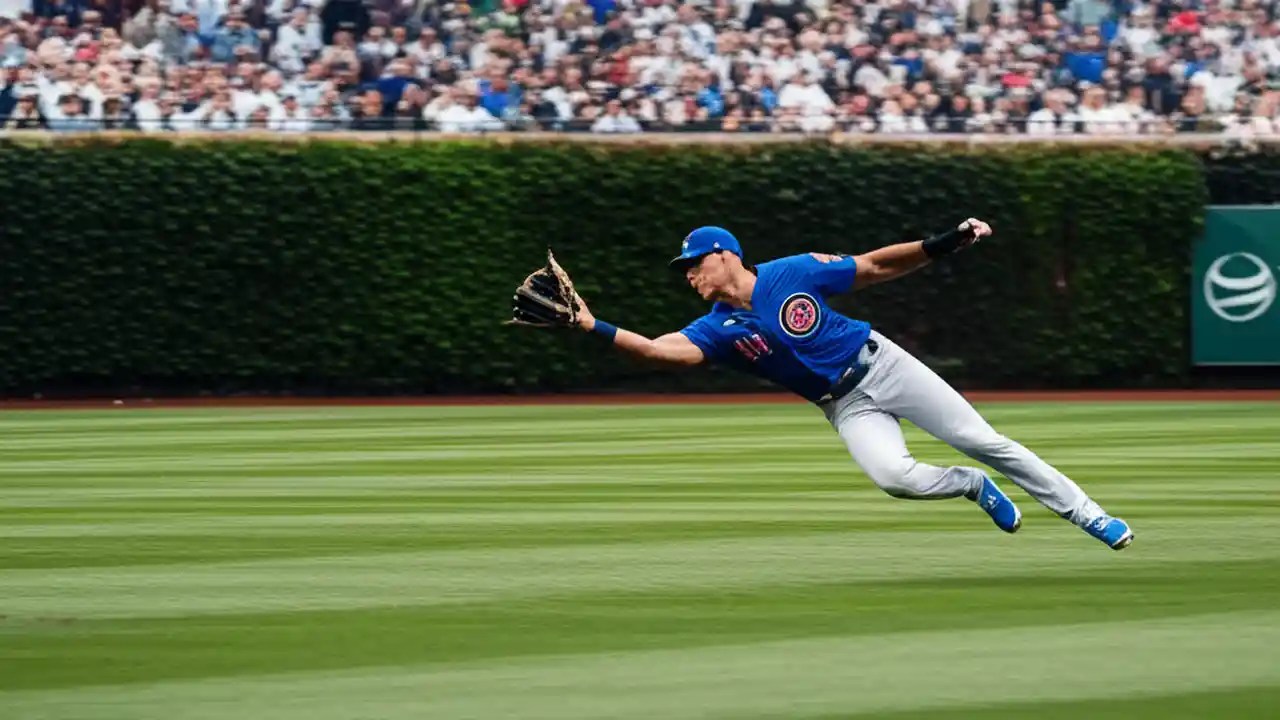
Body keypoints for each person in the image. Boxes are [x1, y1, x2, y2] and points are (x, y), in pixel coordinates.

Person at [569, 222, 1134, 550]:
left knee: (984, 438)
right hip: (843, 405)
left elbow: (873, 267)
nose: (690, 275)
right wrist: (592, 327)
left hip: (882, 363)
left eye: (694, 264)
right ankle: (971, 487)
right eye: (686, 270)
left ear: (725, 254)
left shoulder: (790, 272)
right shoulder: (714, 328)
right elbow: (657, 350)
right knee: (894, 478)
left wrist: (941, 244)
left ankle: (1087, 514)